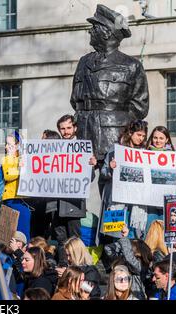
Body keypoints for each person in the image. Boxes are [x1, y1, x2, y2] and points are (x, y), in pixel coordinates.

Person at [71, 4, 149, 197]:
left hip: (114, 135)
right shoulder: (83, 62)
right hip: (84, 131)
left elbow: (140, 106)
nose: (90, 30)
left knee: (113, 191)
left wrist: (120, 126)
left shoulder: (131, 65)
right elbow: (75, 99)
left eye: (94, 27)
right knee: (73, 190)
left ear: (106, 32)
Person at [52, 115, 97, 267]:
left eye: (68, 128)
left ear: (75, 128)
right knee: (60, 240)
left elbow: (89, 178)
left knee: (75, 239)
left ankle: (78, 268)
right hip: (56, 202)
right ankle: (63, 269)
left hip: (74, 202)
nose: (65, 131)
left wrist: (90, 165)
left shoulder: (83, 148)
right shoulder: (54, 148)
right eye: (62, 128)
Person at [99, 119, 149, 241]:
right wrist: (110, 168)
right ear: (130, 133)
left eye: (143, 136)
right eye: (138, 135)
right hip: (117, 201)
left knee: (133, 238)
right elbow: (103, 172)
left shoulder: (146, 153)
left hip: (136, 202)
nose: (141, 138)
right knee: (115, 238)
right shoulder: (115, 150)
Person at [104, 225, 153, 299]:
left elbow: (130, 259)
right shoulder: (124, 262)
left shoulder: (142, 267)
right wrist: (121, 246)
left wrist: (124, 238)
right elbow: (108, 249)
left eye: (129, 248)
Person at [1, 132, 31, 241]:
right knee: (10, 233)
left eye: (9, 144)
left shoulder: (25, 157)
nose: (6, 147)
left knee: (23, 232)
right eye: (6, 144)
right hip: (12, 199)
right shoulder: (7, 158)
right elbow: (8, 175)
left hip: (24, 200)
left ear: (18, 145)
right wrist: (20, 169)